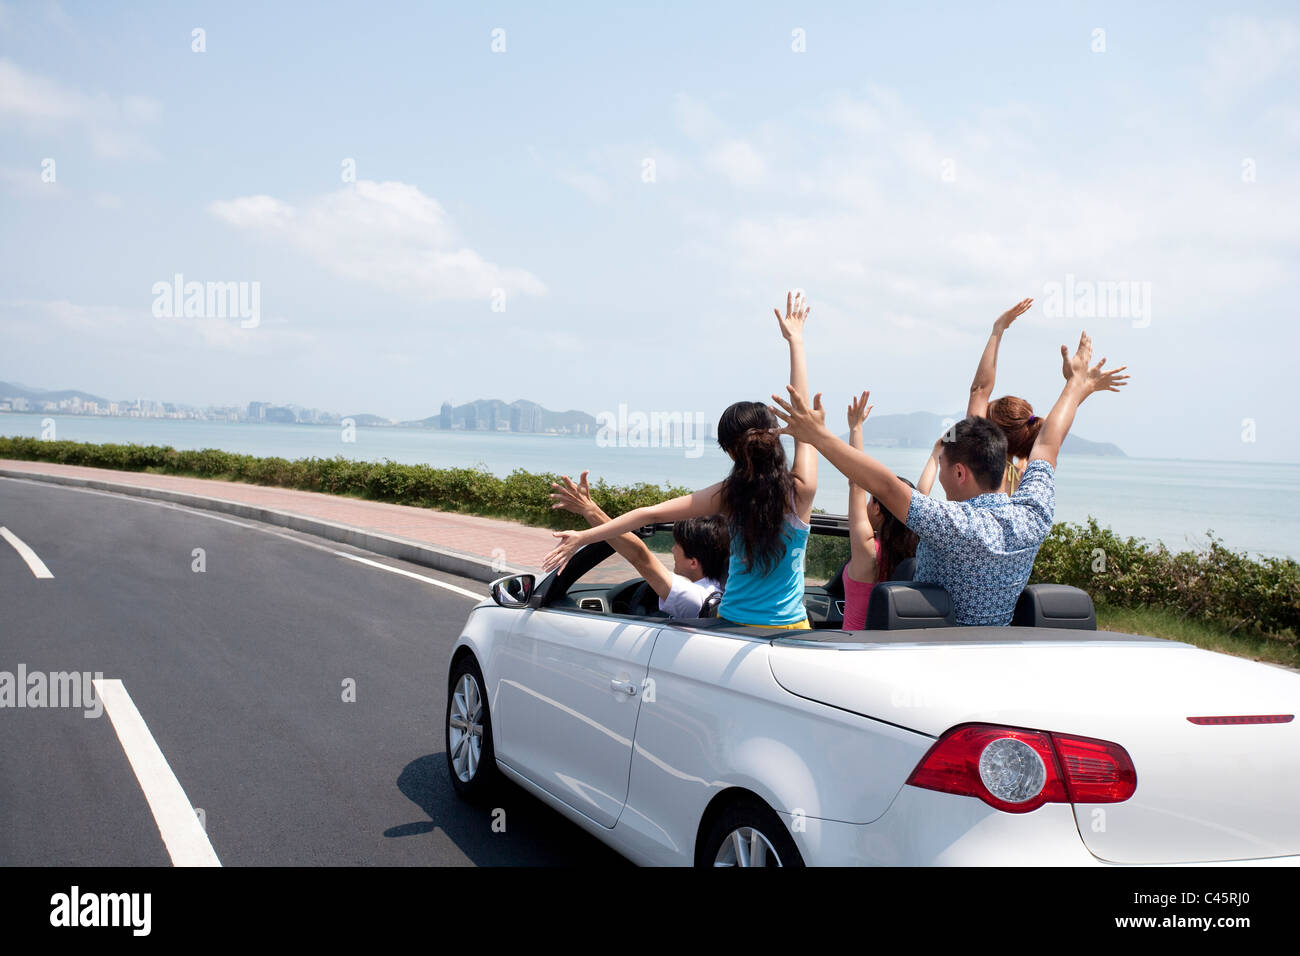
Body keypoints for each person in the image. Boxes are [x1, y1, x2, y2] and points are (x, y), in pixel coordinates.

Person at [769, 331, 1128, 627]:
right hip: (992, 656)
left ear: (960, 472)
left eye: (941, 462)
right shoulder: (1032, 514)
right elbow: (1048, 444)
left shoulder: (954, 524)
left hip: (932, 657)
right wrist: (1076, 387)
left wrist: (819, 438)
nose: (937, 468)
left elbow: (884, 485)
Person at [541, 291, 818, 629]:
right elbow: (804, 419)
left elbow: (650, 514)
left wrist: (584, 537)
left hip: (732, 628)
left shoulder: (729, 496)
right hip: (791, 632)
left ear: (731, 451)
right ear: (775, 436)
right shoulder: (802, 489)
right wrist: (796, 341)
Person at [548, 469, 728, 617]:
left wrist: (590, 511)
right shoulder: (722, 589)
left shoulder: (695, 599)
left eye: (676, 545)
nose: (672, 550)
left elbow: (639, 556)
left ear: (693, 562)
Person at [838, 389, 918, 630]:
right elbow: (915, 502)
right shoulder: (914, 554)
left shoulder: (868, 554)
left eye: (872, 499)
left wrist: (855, 429)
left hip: (852, 648)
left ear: (878, 510)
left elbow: (856, 481)